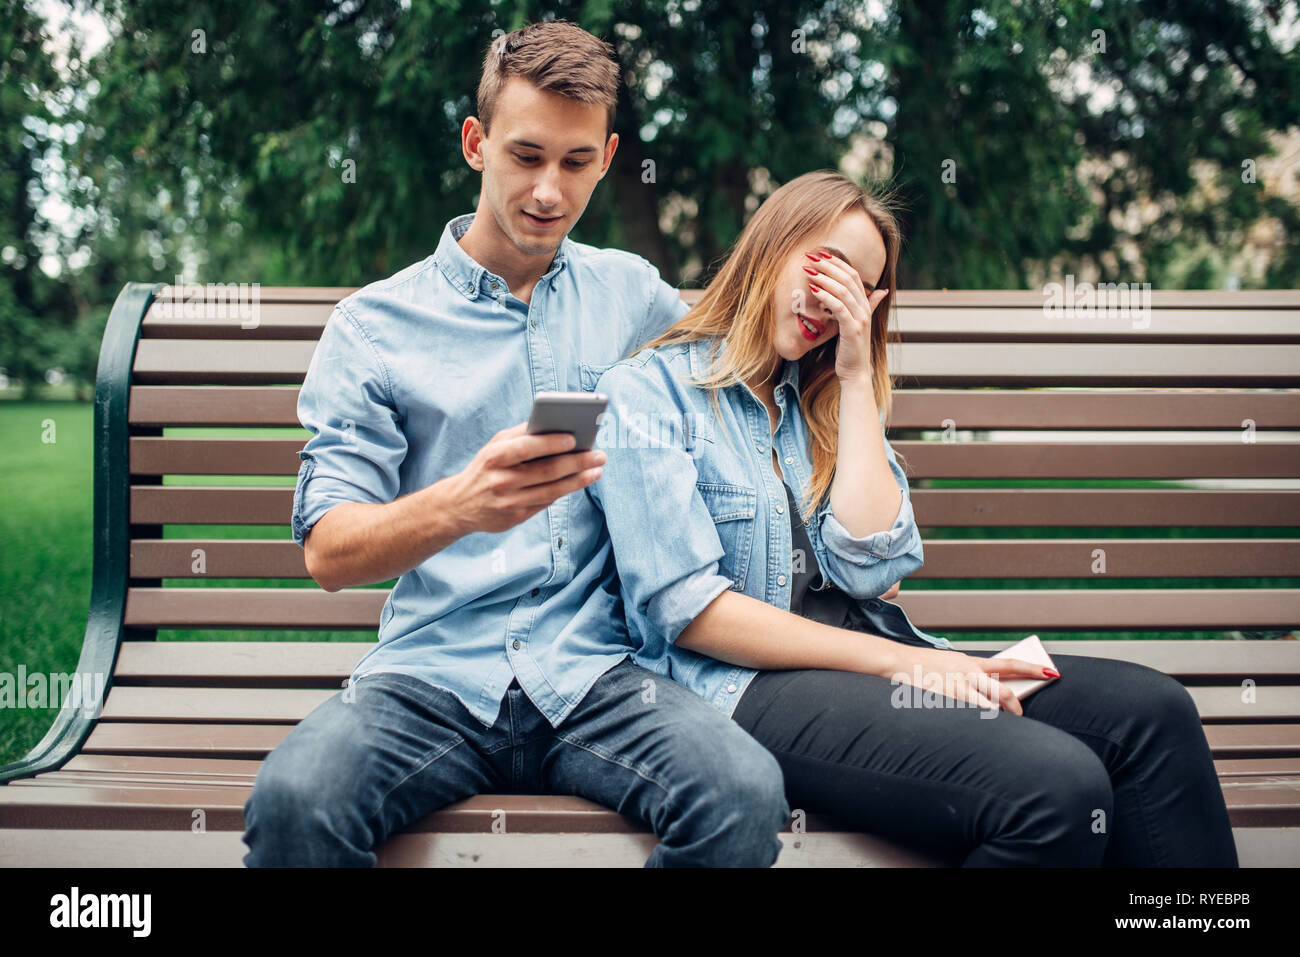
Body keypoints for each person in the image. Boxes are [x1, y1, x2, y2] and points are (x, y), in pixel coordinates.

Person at [241, 20, 789, 868]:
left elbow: (748, 363)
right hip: (431, 677)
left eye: (575, 163)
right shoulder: (375, 327)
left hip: (598, 673)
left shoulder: (634, 295)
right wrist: (464, 503)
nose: (548, 191)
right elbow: (328, 552)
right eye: (525, 156)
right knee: (294, 803)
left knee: (743, 795)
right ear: (475, 142)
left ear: (607, 158)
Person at [586, 169, 1240, 867]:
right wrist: (910, 666)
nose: (831, 300)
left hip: (873, 664)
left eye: (857, 290)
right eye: (826, 265)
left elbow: (873, 572)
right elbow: (690, 612)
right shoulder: (646, 394)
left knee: (1154, 713)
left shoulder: (818, 399)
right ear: (772, 244)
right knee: (1059, 790)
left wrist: (857, 378)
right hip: (743, 690)